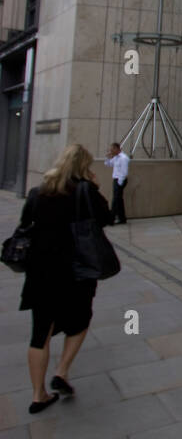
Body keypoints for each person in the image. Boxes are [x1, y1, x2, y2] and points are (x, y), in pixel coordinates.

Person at [18, 143, 113, 413]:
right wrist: (95, 188)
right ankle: (62, 370)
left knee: (40, 334)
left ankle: (38, 395)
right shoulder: (85, 192)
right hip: (76, 271)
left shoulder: (38, 193)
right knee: (80, 321)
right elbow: (107, 218)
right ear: (84, 166)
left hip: (41, 273)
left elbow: (24, 226)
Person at [104, 141, 130, 225]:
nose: (111, 151)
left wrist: (119, 183)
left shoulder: (123, 158)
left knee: (115, 200)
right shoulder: (116, 157)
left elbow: (124, 171)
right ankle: (122, 218)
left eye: (112, 149)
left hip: (120, 180)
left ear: (116, 149)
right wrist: (108, 157)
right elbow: (108, 164)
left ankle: (111, 219)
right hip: (116, 179)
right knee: (118, 200)